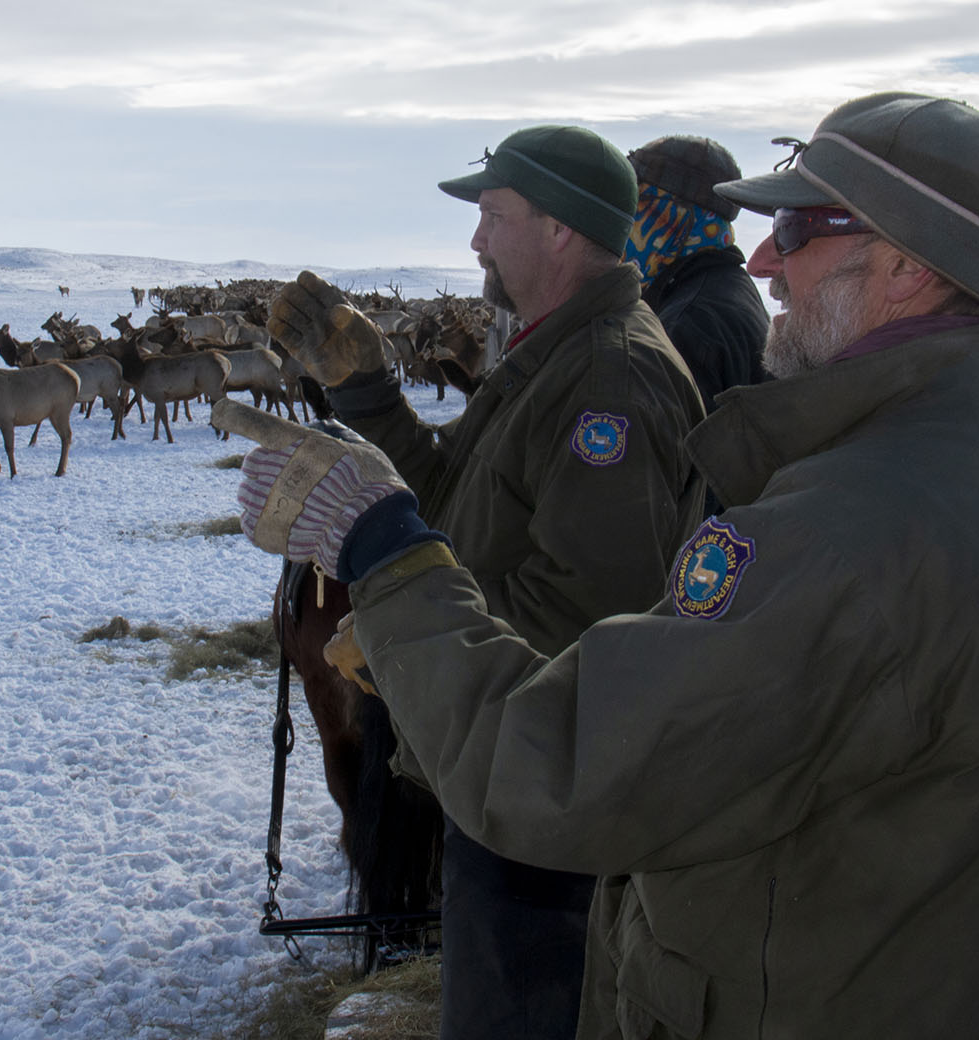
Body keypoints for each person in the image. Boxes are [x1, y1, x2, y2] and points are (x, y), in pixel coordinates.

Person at [227, 91, 979, 1038]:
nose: (763, 259)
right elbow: (475, 512)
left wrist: (390, 567)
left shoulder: (845, 515)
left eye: (798, 228)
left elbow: (575, 733)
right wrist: (370, 404)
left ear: (903, 268)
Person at [268, 124, 706, 1040]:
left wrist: (398, 639)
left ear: (560, 230)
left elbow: (586, 616)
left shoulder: (607, 386)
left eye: (492, 216)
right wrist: (368, 394)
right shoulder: (551, 357)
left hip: (549, 805)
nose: (474, 241)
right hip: (503, 771)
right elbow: (451, 506)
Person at [622, 134, 769, 412]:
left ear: (675, 215)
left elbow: (679, 449)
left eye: (637, 201)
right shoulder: (729, 284)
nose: (626, 220)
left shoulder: (688, 323)